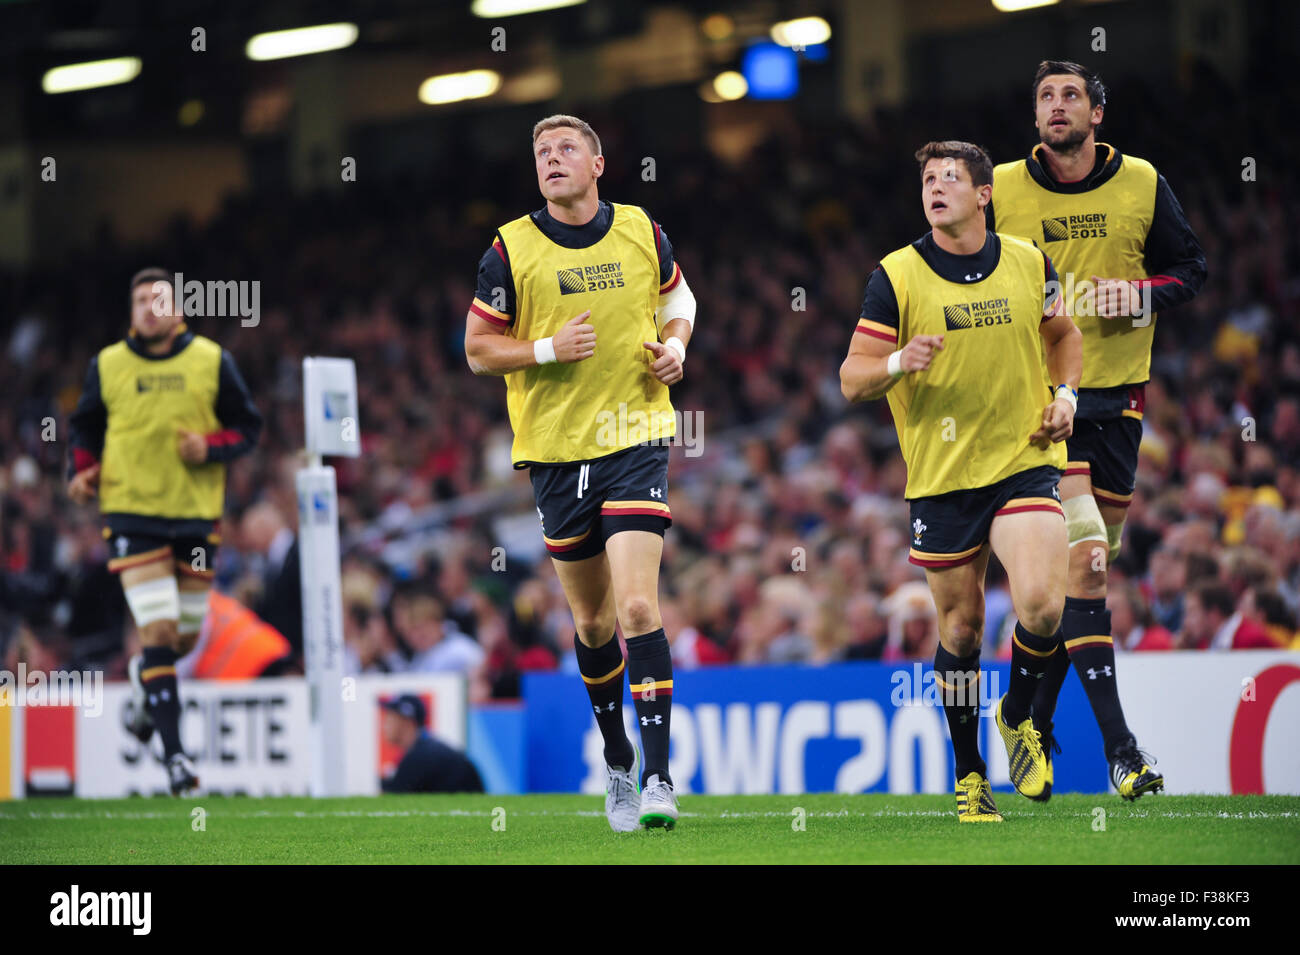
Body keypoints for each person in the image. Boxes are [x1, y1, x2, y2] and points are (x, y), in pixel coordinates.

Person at [464, 115, 695, 830]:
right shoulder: (511, 247)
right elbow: (478, 349)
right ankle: (619, 760)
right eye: (540, 152)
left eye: (566, 149)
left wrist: (677, 346)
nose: (552, 159)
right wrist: (544, 349)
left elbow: (677, 300)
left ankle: (659, 777)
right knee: (593, 620)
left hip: (636, 436)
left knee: (635, 608)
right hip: (558, 454)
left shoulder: (640, 229)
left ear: (598, 163)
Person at [841, 140, 1082, 822]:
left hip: (1023, 457)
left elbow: (1063, 334)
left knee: (1040, 605)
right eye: (927, 178)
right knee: (963, 627)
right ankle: (970, 771)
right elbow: (850, 377)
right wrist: (896, 362)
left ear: (984, 195)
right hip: (943, 479)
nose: (936, 186)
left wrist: (1066, 395)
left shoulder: (1030, 261)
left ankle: (1016, 713)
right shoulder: (896, 276)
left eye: (952, 177)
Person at [989, 60, 1206, 800]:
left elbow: (1192, 269)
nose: (1056, 106)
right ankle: (1122, 750)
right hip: (1044, 404)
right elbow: (970, 273)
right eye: (1044, 95)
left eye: (1070, 95)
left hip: (1120, 401)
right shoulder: (1003, 191)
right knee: (1085, 566)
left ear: (1097, 113)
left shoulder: (1142, 182)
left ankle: (1024, 717)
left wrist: (1141, 292)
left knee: (1076, 583)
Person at [67, 268, 262, 795]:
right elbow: (84, 426)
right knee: (155, 630)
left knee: (184, 636)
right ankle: (176, 759)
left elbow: (248, 427)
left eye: (158, 300)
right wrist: (80, 471)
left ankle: (143, 682)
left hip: (196, 520)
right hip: (132, 517)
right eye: (138, 302)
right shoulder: (107, 365)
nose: (147, 310)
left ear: (179, 308)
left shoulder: (212, 361)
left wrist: (211, 447)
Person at [380, 694, 484, 794]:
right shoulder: (428, 750)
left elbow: (393, 802)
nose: (384, 726)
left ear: (406, 722)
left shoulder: (419, 758)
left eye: (389, 719)